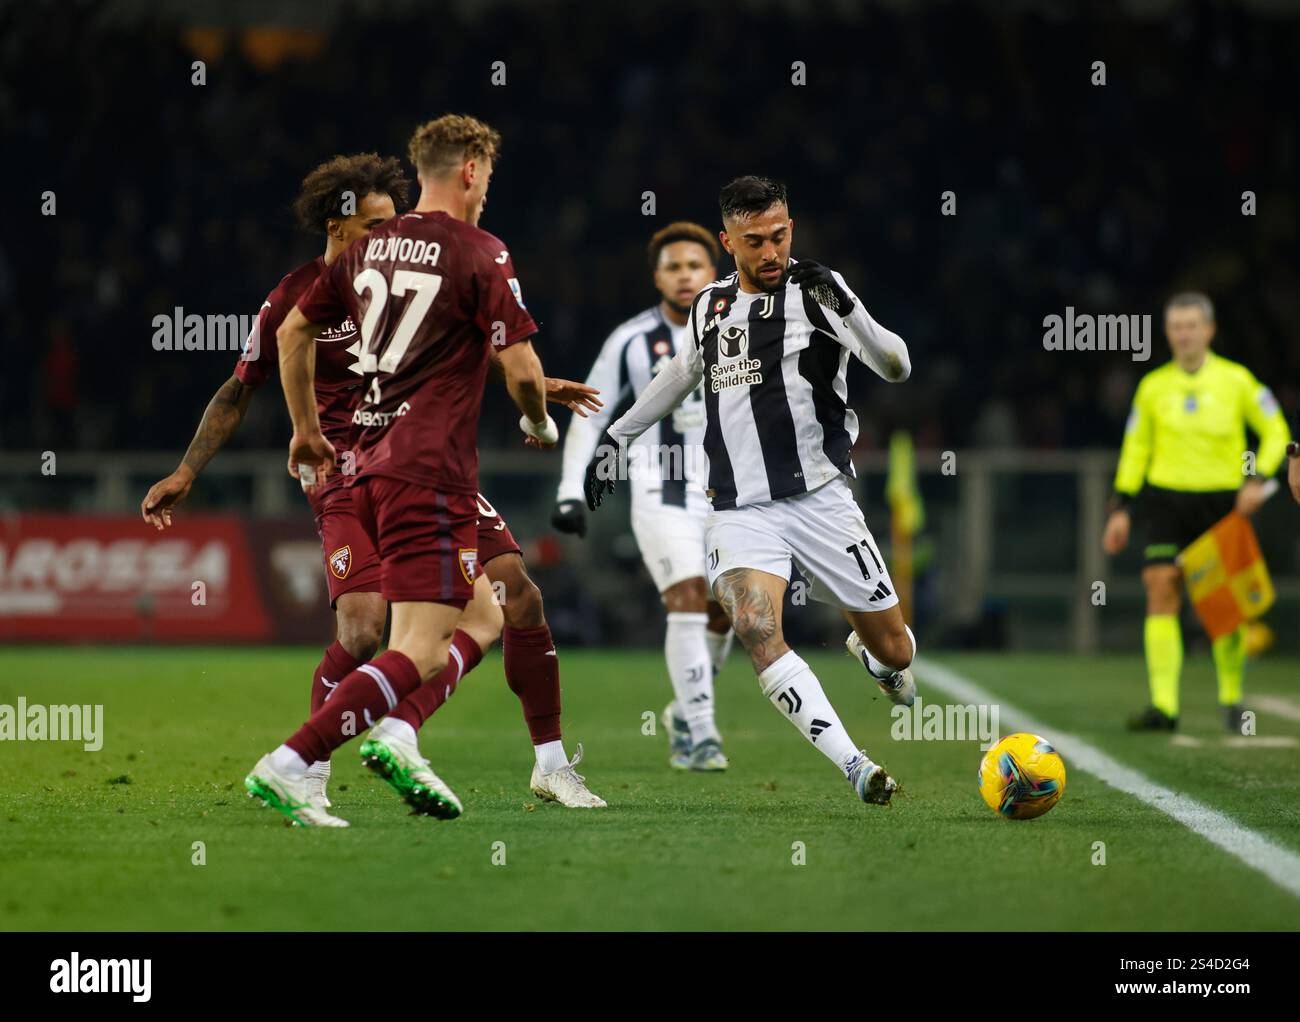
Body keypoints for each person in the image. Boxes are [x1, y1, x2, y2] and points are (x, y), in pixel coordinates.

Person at [244, 115, 605, 826]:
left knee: (488, 609)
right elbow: (520, 369)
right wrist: (536, 418)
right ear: (471, 168)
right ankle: (295, 762)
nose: (487, 191)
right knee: (416, 647)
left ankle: (407, 736)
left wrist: (307, 432)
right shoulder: (480, 250)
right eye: (488, 177)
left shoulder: (367, 254)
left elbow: (294, 331)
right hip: (428, 469)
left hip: (375, 465)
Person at [586, 176, 915, 807]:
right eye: (755, 241)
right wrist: (618, 438)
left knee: (897, 653)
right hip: (738, 508)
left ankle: (875, 658)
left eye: (781, 236)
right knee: (757, 626)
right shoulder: (710, 306)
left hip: (821, 500)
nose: (772, 252)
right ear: (728, 241)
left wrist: (849, 311)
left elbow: (895, 366)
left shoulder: (820, 291)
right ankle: (855, 765)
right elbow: (682, 373)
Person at [553, 222, 734, 770]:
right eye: (674, 267)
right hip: (660, 487)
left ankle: (683, 711)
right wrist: (570, 491)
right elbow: (591, 413)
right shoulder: (630, 340)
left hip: (732, 494)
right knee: (685, 597)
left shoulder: (744, 325)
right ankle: (702, 733)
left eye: (695, 266)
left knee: (725, 611)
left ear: (714, 272)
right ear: (657, 276)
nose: (685, 276)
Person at [1102, 292, 1291, 732]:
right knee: (1161, 588)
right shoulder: (1152, 387)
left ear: (1209, 330)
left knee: (1223, 602)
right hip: (1166, 503)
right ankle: (1164, 707)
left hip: (1222, 504)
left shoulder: (1237, 381)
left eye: (1192, 326)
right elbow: (1136, 449)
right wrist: (1121, 507)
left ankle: (1231, 700)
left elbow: (1275, 429)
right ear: (1168, 333)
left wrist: (1258, 479)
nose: (1184, 334)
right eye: (1176, 327)